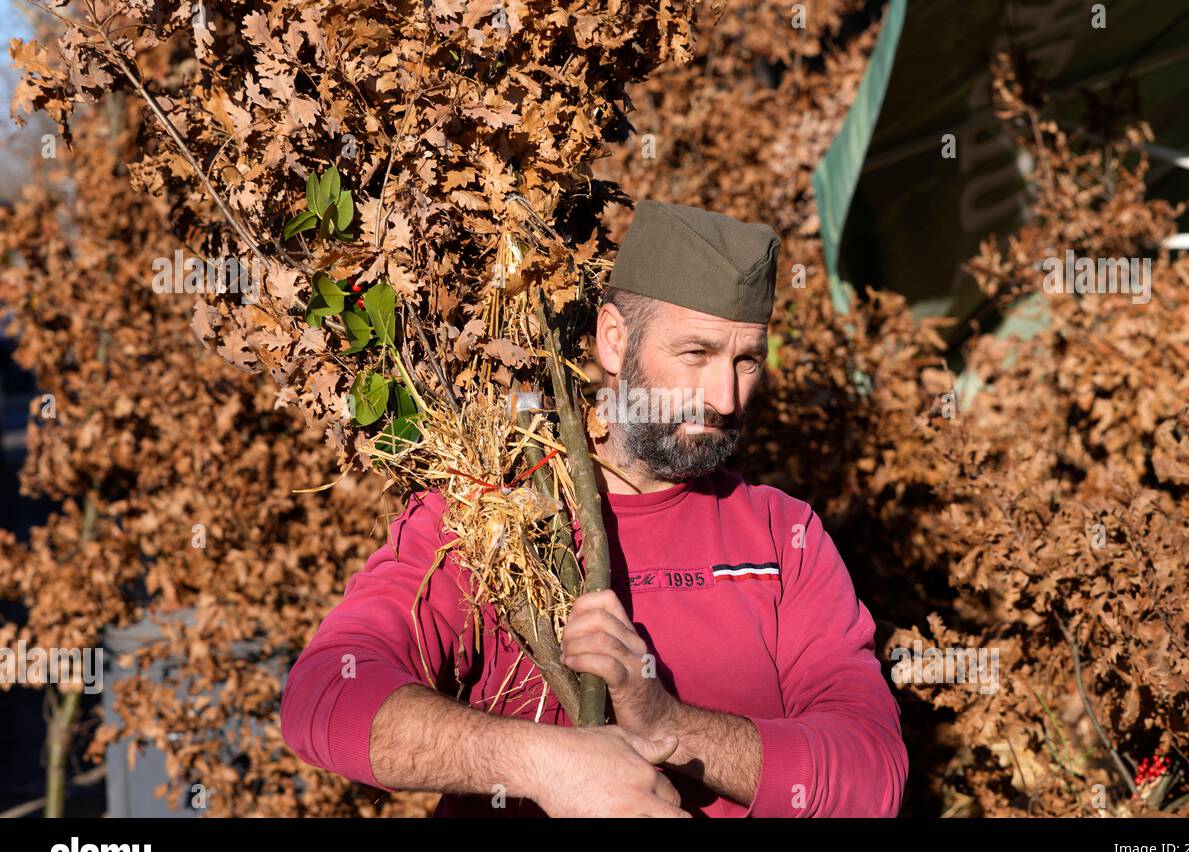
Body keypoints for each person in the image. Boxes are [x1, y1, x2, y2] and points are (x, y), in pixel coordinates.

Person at [281, 199, 908, 817]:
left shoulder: (781, 534)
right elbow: (325, 697)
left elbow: (871, 774)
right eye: (696, 354)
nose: (724, 397)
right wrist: (550, 765)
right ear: (615, 339)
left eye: (747, 361)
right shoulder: (490, 509)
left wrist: (668, 721)